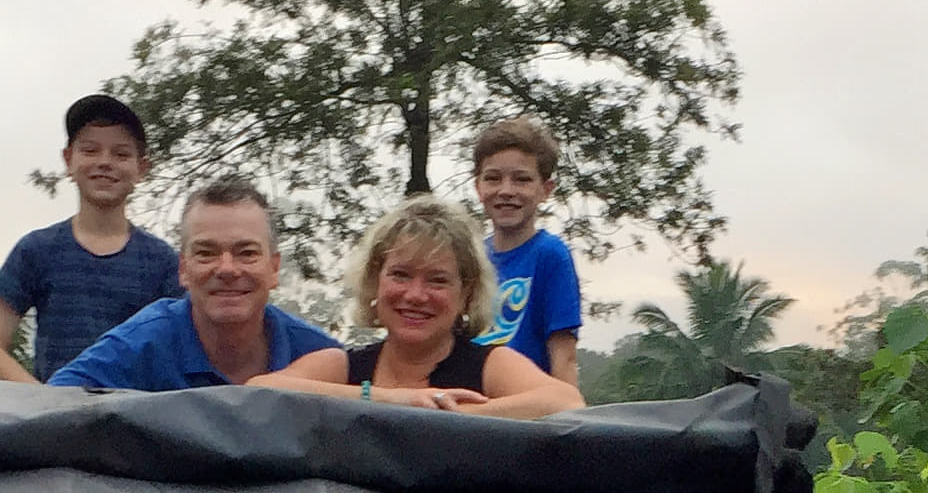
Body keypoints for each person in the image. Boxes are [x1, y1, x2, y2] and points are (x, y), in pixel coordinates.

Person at [251, 196, 584, 417]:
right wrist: (390, 401)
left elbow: (567, 402)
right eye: (400, 275)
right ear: (374, 283)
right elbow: (258, 391)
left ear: (466, 293)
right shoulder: (344, 367)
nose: (415, 294)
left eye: (437, 280)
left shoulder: (490, 365)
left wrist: (448, 415)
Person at [48, 178, 340, 390]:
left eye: (246, 253)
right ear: (183, 270)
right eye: (206, 253)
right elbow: (51, 409)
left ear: (274, 269)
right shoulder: (140, 345)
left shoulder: (315, 352)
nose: (227, 268)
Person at [0, 96, 181, 383]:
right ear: (68, 161)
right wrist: (42, 401)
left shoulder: (163, 261)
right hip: (57, 421)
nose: (105, 163)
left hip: (135, 418)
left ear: (141, 169)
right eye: (91, 150)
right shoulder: (36, 250)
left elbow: (180, 346)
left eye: (120, 154)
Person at [469, 117, 582, 383]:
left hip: (527, 411)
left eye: (522, 180)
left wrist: (566, 414)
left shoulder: (550, 255)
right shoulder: (471, 259)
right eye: (493, 178)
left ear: (546, 190)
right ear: (478, 187)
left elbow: (564, 356)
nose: (506, 191)